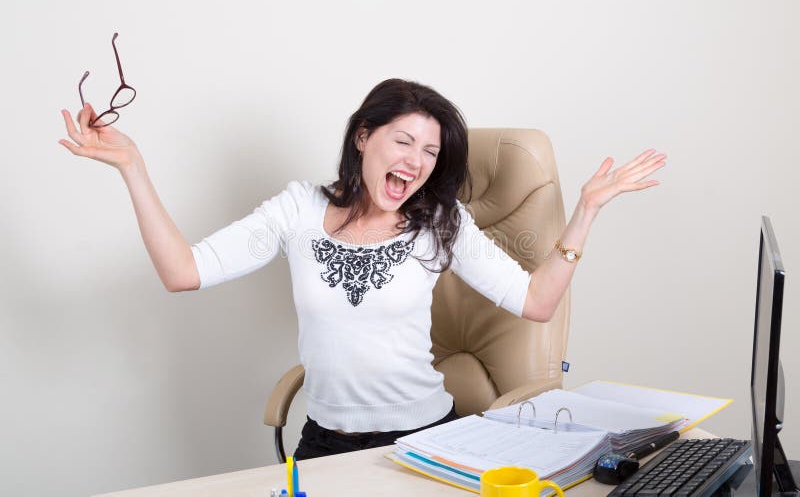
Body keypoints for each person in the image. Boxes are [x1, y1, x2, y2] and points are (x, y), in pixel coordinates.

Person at [58, 78, 667, 460]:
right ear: (362, 137)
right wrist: (132, 167)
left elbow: (536, 302)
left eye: (431, 152)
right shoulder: (298, 209)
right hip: (326, 445)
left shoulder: (440, 219)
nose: (418, 162)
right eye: (404, 142)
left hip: (429, 441)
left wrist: (585, 210)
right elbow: (183, 271)